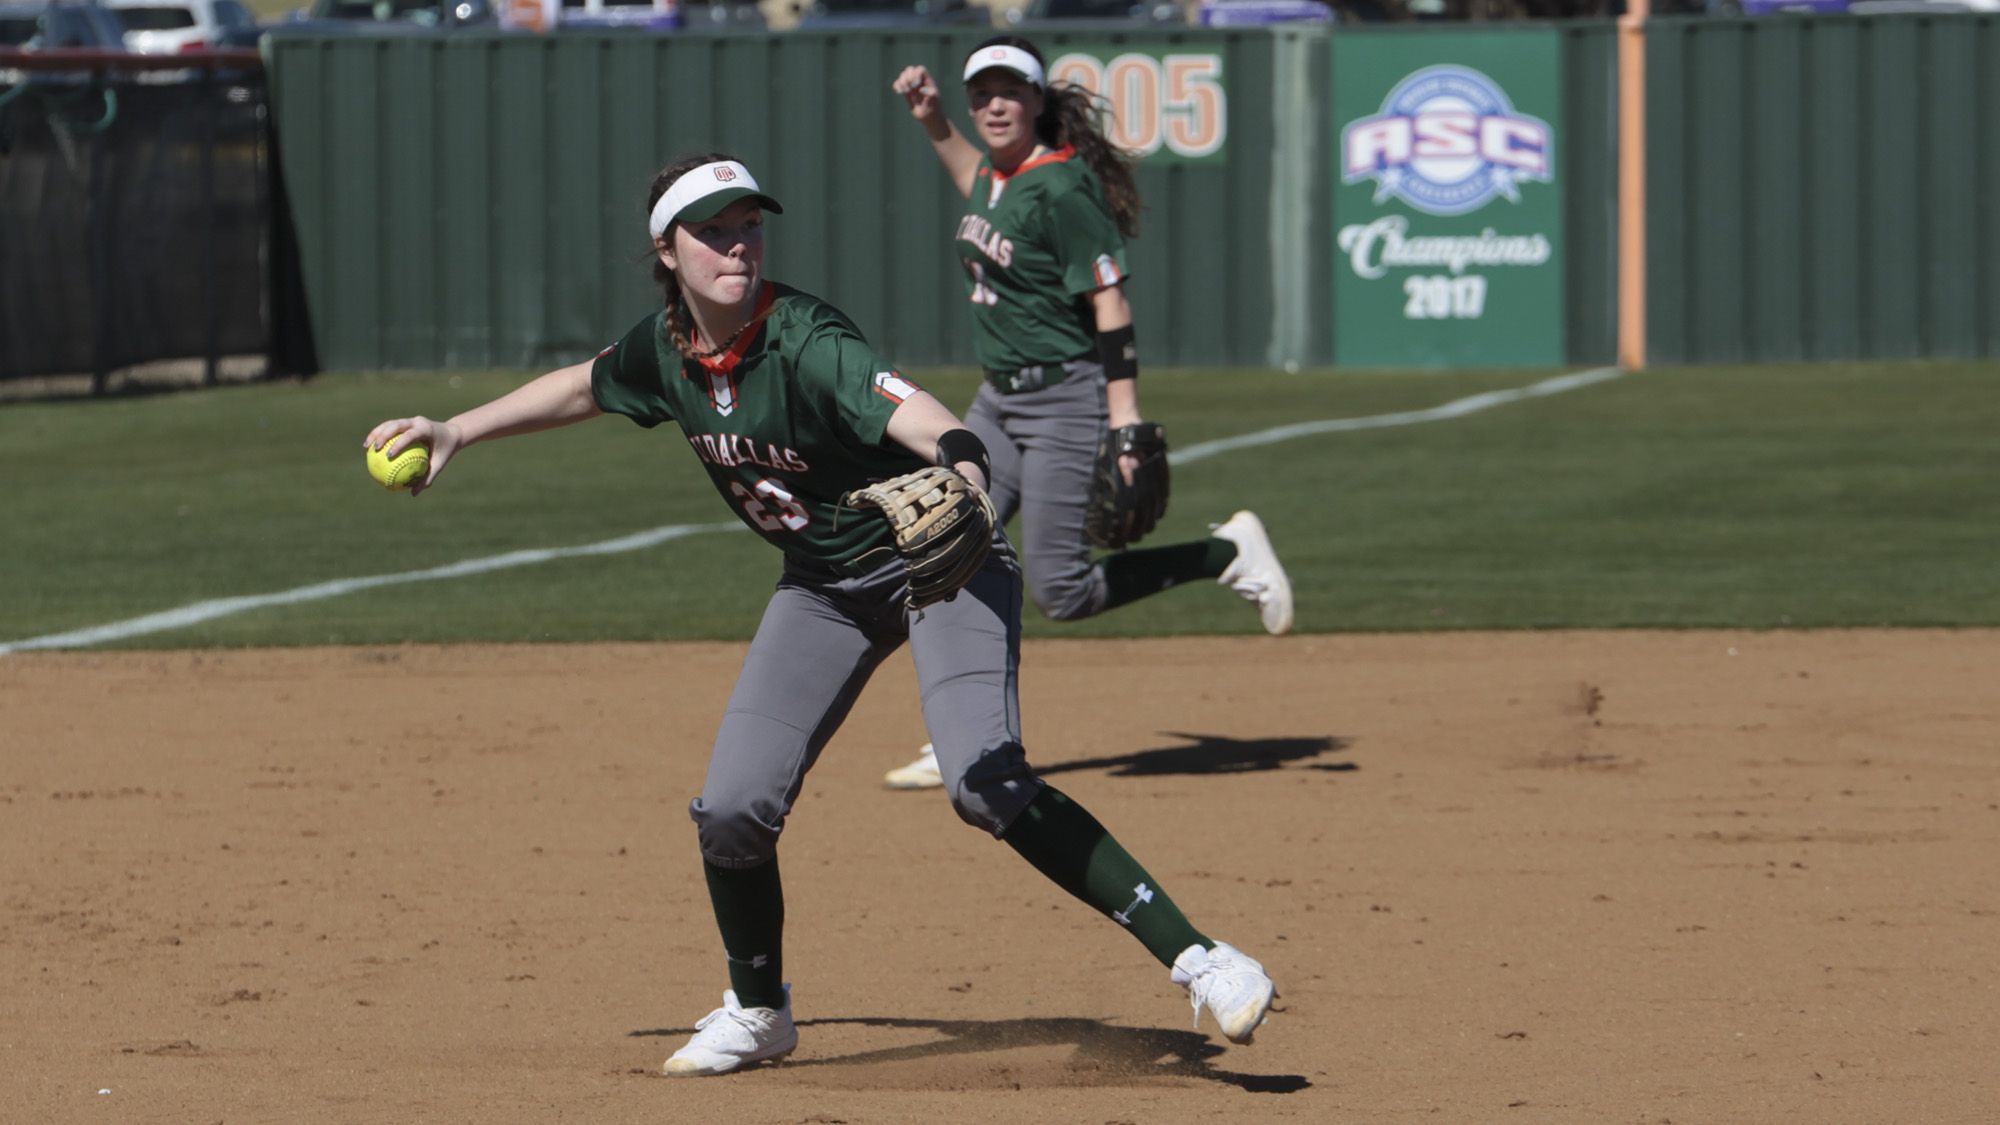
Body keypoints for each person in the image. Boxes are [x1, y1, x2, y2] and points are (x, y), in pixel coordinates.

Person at [363, 154, 1277, 1076]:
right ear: (666, 251)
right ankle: (761, 1011)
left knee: (984, 781)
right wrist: (456, 430)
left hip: (938, 563)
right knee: (729, 810)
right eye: (713, 231)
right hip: (824, 588)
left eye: (749, 224)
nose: (738, 244)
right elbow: (582, 384)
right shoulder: (665, 350)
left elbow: (917, 411)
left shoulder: (804, 336)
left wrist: (963, 468)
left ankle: (1203, 958)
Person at [883, 37, 1294, 790]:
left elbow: (1110, 303)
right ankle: (970, 741)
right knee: (951, 552)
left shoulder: (1064, 188)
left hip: (1064, 402)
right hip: (997, 401)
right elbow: (971, 174)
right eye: (982, 93)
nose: (994, 104)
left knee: (1061, 591)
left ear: (1039, 102)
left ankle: (1225, 556)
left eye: (1010, 91)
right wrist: (934, 120)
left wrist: (1126, 422)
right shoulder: (998, 179)